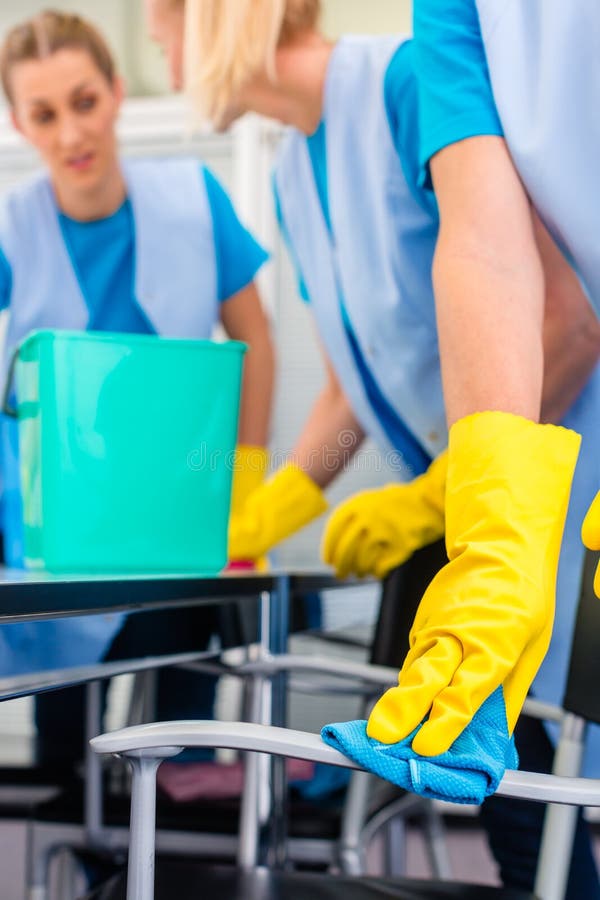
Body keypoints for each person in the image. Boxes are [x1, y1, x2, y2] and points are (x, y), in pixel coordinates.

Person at [143, 0, 600, 891]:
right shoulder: (288, 175)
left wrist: (439, 495)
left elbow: (566, 326)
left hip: (542, 488)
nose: (160, 53)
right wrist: (276, 508)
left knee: (544, 804)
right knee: (521, 809)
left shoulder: (398, 88)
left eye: (161, 27)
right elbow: (353, 395)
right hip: (469, 510)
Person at [0, 9, 275, 767]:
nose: (69, 135)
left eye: (84, 102)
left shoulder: (195, 198)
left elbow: (256, 344)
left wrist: (245, 488)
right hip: (52, 539)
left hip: (175, 526)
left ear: (118, 92)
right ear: (20, 124)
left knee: (178, 746)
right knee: (65, 751)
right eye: (44, 114)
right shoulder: (9, 230)